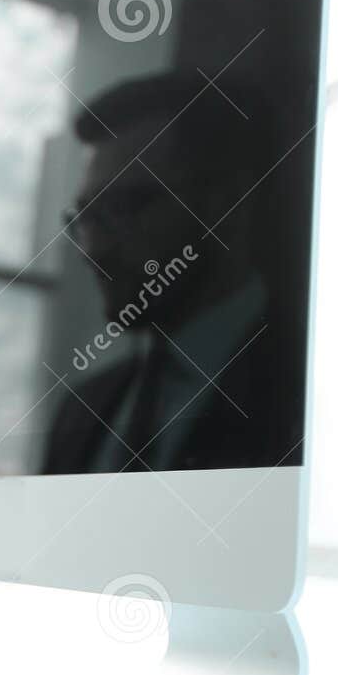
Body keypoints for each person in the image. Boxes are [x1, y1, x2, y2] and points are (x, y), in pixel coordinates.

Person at [44, 71, 297, 476]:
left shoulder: (311, 397)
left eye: (128, 207)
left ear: (228, 203)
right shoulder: (82, 413)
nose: (94, 249)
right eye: (88, 217)